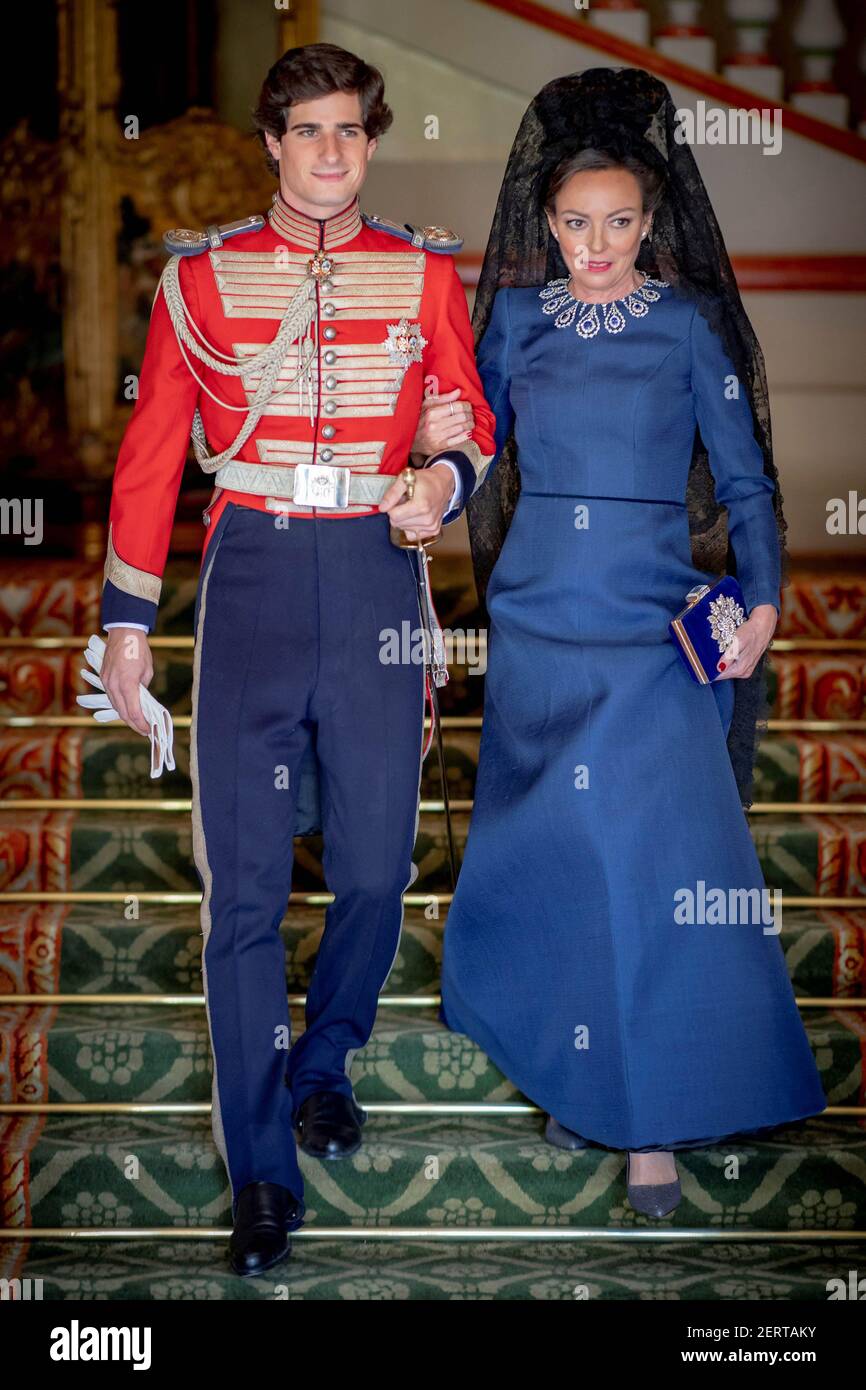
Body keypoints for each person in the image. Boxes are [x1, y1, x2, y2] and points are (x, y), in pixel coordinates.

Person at [98, 41, 495, 1275]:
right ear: (270, 140)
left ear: (370, 142)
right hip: (256, 575)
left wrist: (442, 474)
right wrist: (121, 626)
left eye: (350, 133)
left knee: (376, 866)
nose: (330, 153)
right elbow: (157, 450)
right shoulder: (204, 278)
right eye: (307, 131)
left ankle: (327, 1053)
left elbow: (472, 411)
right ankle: (261, 1173)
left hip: (375, 571)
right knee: (246, 897)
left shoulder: (421, 271)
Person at [439, 67, 827, 1219]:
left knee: (648, 861)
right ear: (543, 221)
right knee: (563, 854)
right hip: (539, 619)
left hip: (658, 625)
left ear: (649, 221)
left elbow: (748, 484)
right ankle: (579, 1062)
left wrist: (759, 600)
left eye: (616, 223)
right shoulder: (509, 321)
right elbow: (470, 448)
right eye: (573, 223)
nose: (594, 245)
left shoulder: (686, 325)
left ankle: (648, 1119)